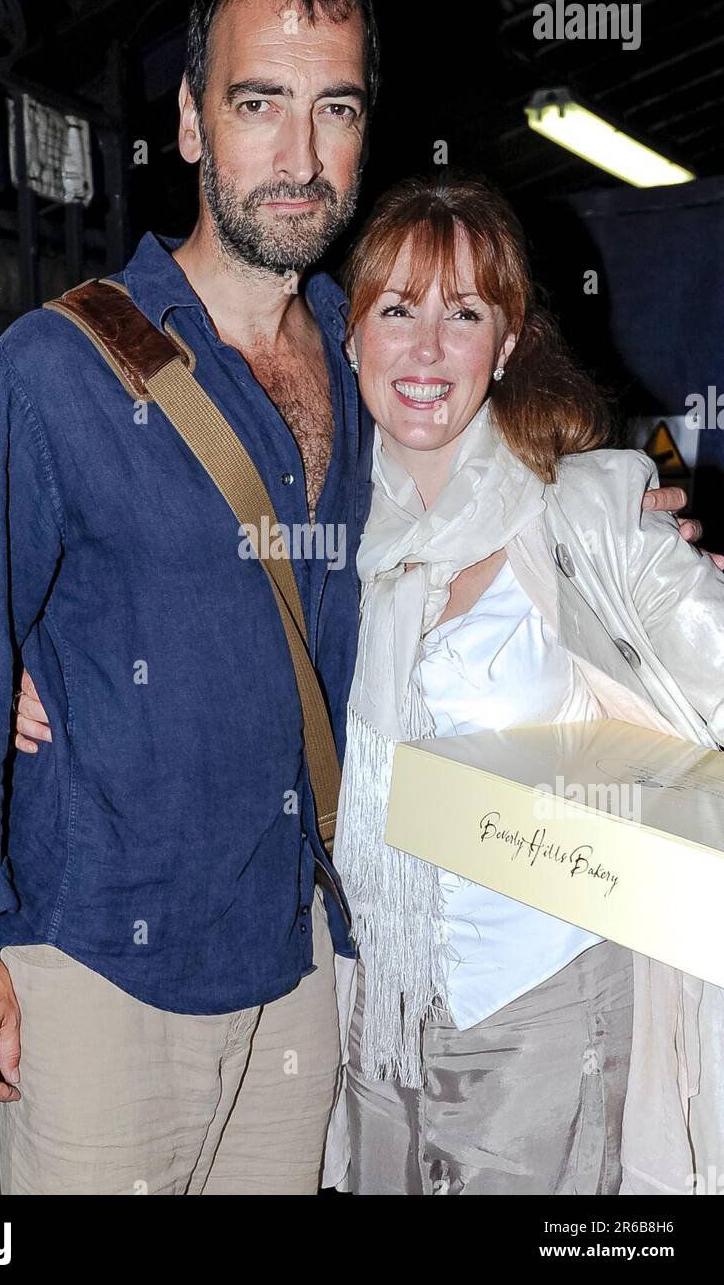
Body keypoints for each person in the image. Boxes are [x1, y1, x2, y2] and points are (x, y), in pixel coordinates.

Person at [0, 0, 698, 1197]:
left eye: (337, 108)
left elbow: (503, 456)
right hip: (102, 969)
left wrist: (632, 517)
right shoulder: (59, 368)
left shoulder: (366, 351)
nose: (300, 153)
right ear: (191, 121)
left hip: (305, 971)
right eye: (259, 102)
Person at [320, 173, 724, 1195]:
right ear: (351, 333)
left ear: (504, 347)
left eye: (464, 315)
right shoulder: (326, 543)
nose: (424, 349)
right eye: (397, 309)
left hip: (547, 1011)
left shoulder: (576, 516)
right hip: (376, 1011)